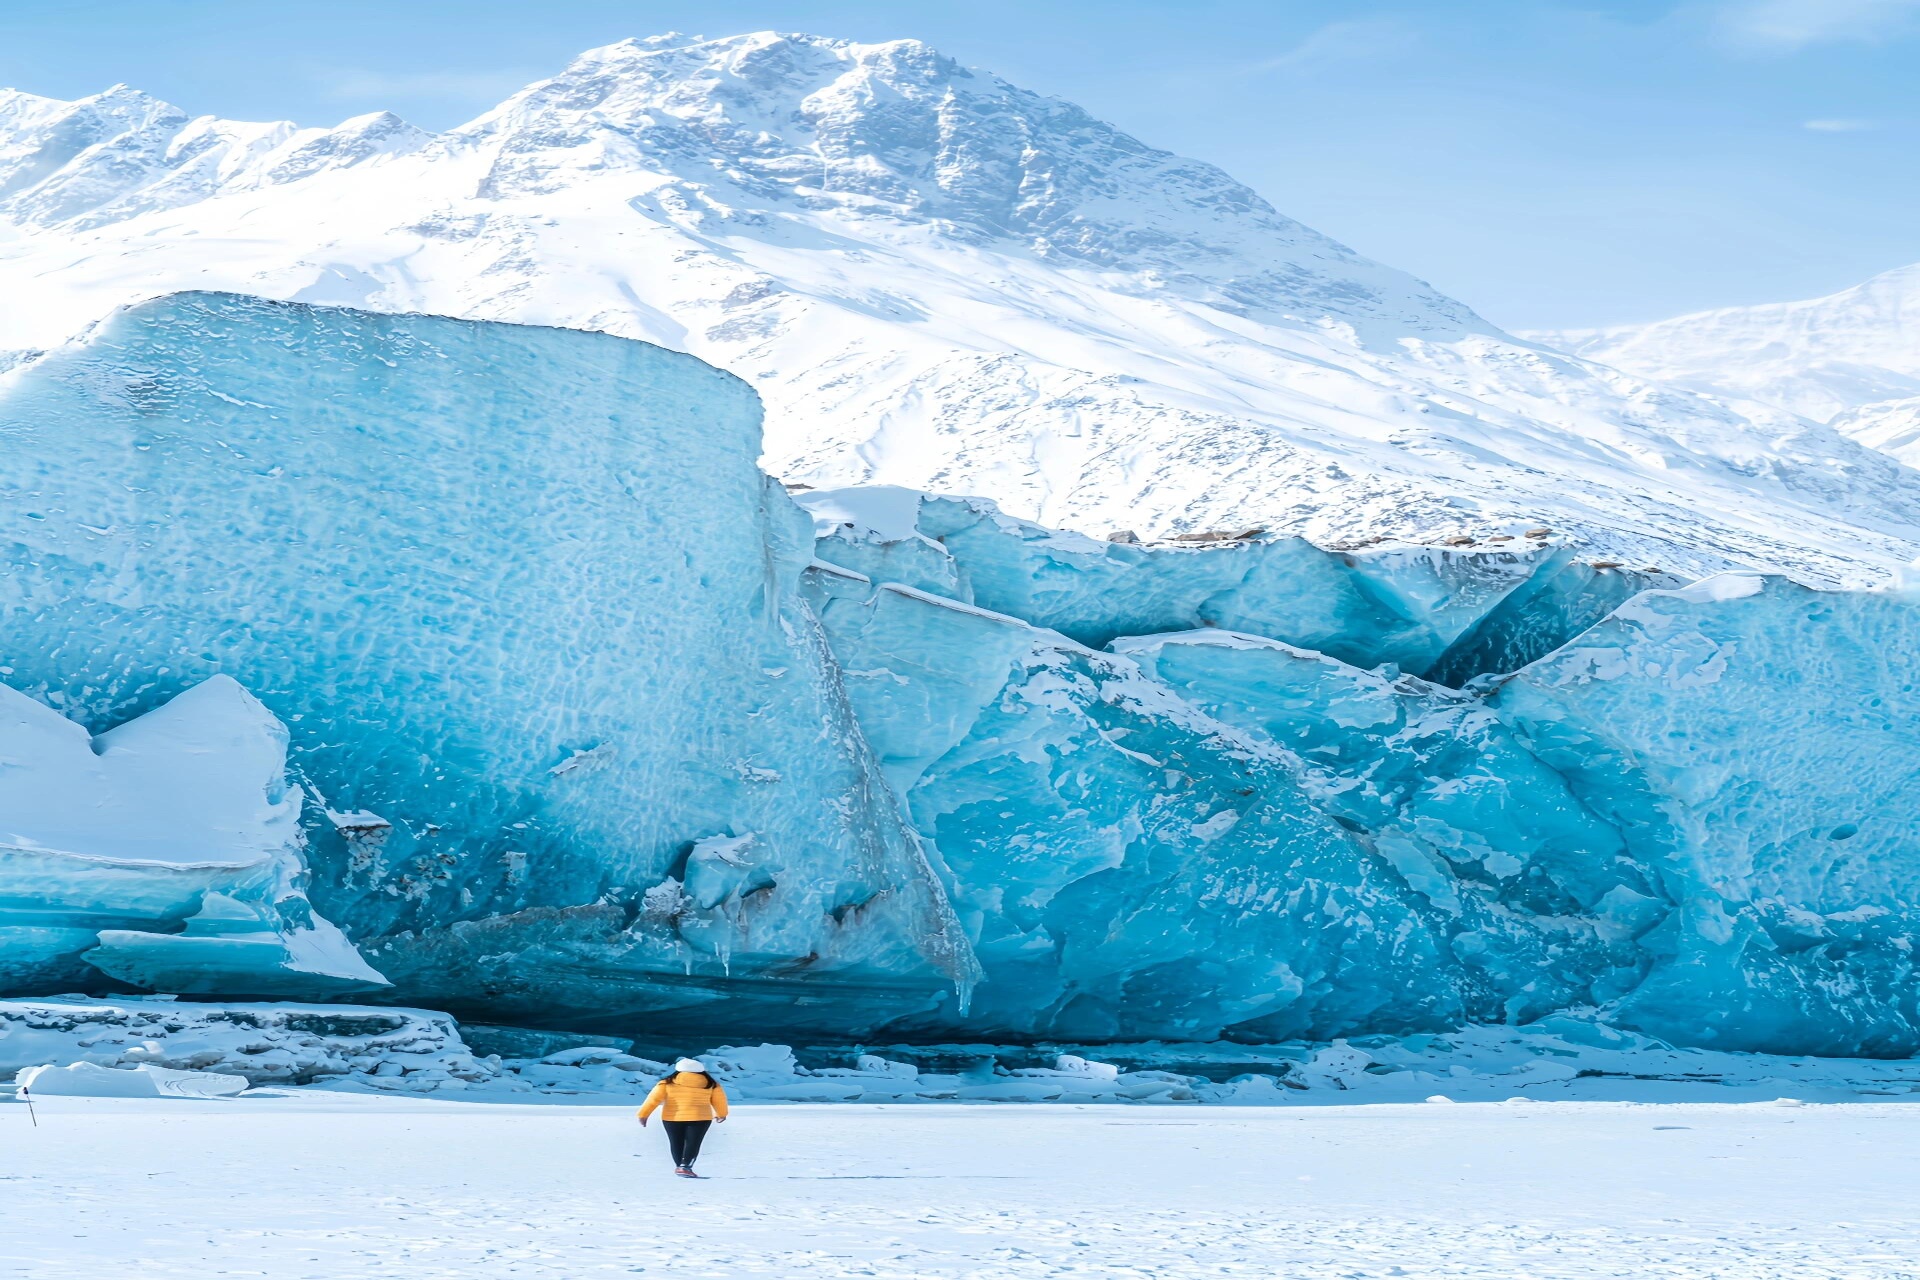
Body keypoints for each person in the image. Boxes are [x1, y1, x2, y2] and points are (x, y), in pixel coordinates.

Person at [637, 1057, 729, 1177]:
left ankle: (680, 1166)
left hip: (672, 1117)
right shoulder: (711, 1083)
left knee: (676, 1142)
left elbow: (653, 1100)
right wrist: (721, 1114)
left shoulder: (666, 1083)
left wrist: (643, 1115)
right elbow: (720, 1100)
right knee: (693, 1143)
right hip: (700, 1118)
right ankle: (685, 1166)